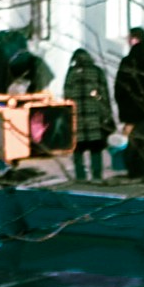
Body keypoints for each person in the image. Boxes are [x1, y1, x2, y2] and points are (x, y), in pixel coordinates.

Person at [61, 43, 114, 183]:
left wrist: (67, 115)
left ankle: (80, 176)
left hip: (76, 116)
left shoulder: (71, 72)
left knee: (78, 148)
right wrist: (106, 114)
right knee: (95, 147)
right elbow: (104, 94)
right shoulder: (97, 71)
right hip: (94, 117)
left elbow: (66, 95)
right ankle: (97, 175)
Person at [114, 26, 144, 168]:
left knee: (133, 143)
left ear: (133, 39)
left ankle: (134, 166)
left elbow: (119, 89)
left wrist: (122, 109)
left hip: (131, 111)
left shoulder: (127, 62)